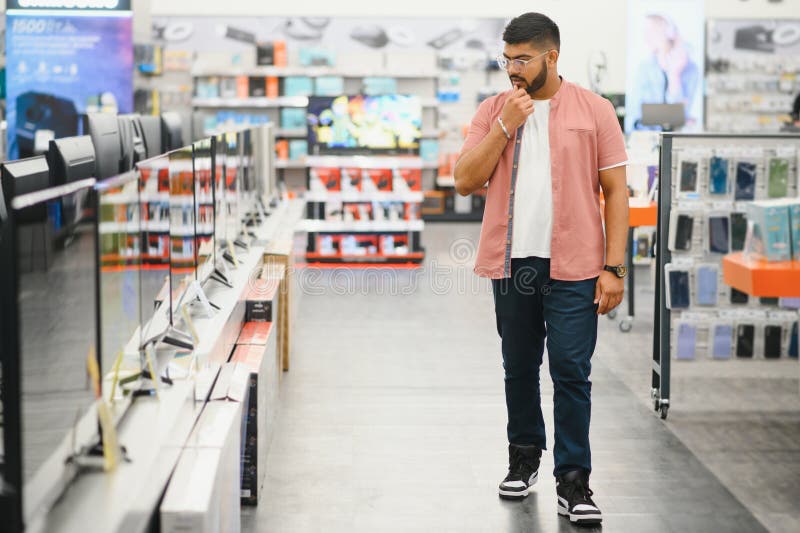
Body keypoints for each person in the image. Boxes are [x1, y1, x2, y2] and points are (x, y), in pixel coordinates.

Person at [454, 12, 629, 527]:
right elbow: (465, 180)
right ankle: (524, 458)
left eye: (523, 59)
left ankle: (574, 480)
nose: (513, 68)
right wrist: (507, 123)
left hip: (576, 265)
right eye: (507, 59)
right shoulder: (493, 111)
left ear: (551, 56)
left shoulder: (594, 110)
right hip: (515, 264)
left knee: (572, 371)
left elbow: (617, 193)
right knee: (519, 367)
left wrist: (614, 267)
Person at [628, 13, 700, 130]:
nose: (646, 37)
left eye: (652, 31)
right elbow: (634, 116)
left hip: (677, 140)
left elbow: (682, 116)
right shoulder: (644, 68)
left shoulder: (691, 70)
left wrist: (674, 76)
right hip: (646, 138)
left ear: (670, 34)